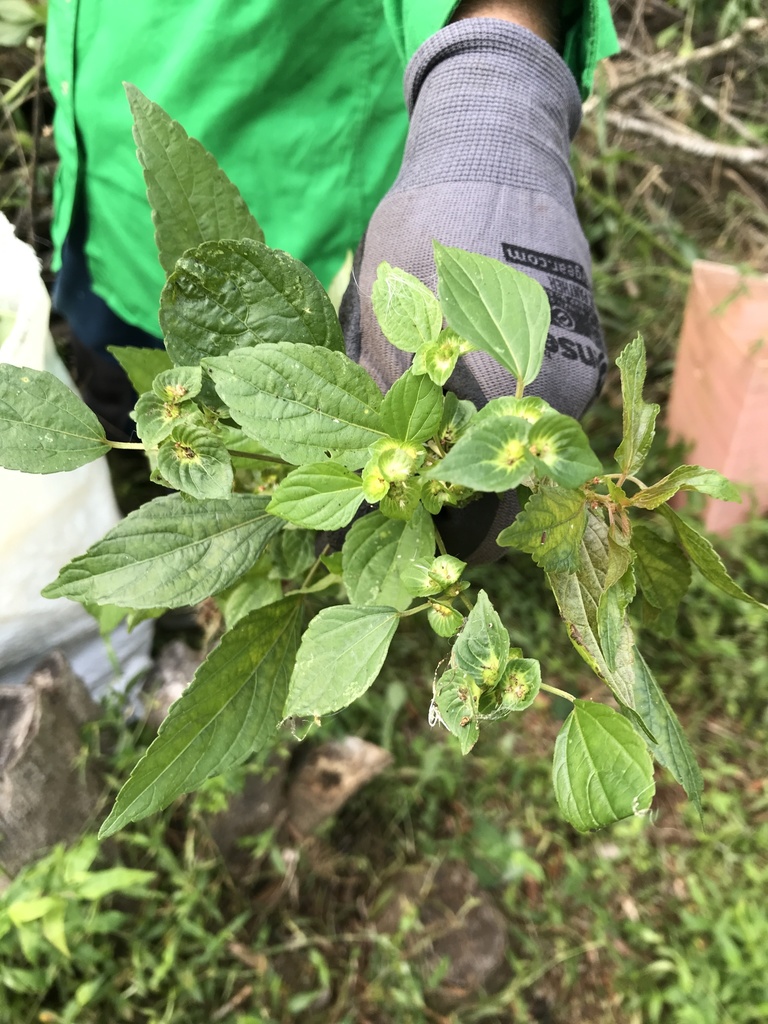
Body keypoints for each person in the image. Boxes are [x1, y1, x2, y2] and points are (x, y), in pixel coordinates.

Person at [46, 0, 618, 559]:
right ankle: (140, 454)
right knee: (116, 372)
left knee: (302, 438)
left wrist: (496, 81)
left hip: (300, 231)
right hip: (103, 205)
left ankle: (269, 534)